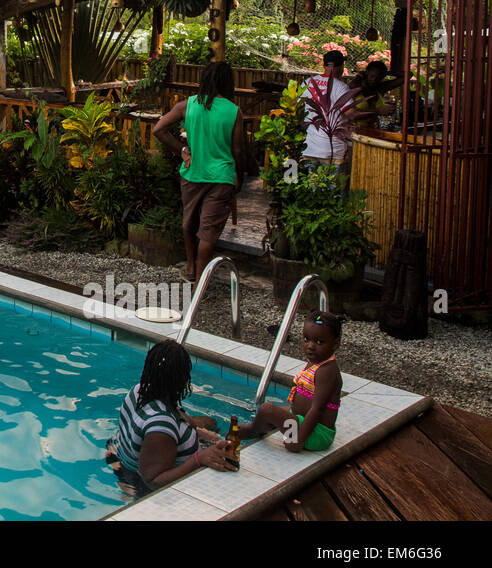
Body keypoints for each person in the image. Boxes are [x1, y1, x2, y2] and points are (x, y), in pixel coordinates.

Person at [152, 61, 242, 282]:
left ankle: (191, 267)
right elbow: (238, 149)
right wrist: (239, 175)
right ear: (228, 83)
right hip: (221, 176)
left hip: (192, 172)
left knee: (189, 222)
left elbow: (158, 129)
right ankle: (200, 281)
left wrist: (181, 149)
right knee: (208, 231)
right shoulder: (233, 111)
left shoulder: (187, 105)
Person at [106, 339, 236, 492]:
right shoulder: (160, 428)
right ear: (182, 381)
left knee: (211, 423)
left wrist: (195, 428)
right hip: (141, 484)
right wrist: (198, 460)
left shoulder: (140, 390)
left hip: (123, 459)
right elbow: (152, 480)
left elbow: (169, 416)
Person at [238, 311, 342, 453]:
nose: (310, 346)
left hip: (316, 434)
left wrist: (298, 440)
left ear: (335, 344)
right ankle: (259, 427)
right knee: (275, 412)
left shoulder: (327, 371)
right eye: (306, 339)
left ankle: (253, 430)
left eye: (319, 342)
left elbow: (317, 409)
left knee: (267, 409)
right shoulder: (317, 361)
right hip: (301, 419)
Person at [301, 50, 355, 180]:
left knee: (311, 190)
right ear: (341, 67)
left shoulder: (308, 83)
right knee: (333, 194)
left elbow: (297, 111)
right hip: (333, 150)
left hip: (309, 147)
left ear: (324, 65)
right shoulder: (340, 87)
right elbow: (351, 114)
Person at [348, 60, 400, 130]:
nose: (374, 80)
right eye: (372, 76)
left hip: (374, 130)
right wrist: (378, 111)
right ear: (366, 73)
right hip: (356, 132)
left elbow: (407, 76)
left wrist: (387, 72)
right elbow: (352, 114)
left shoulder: (380, 88)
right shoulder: (356, 89)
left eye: (378, 77)